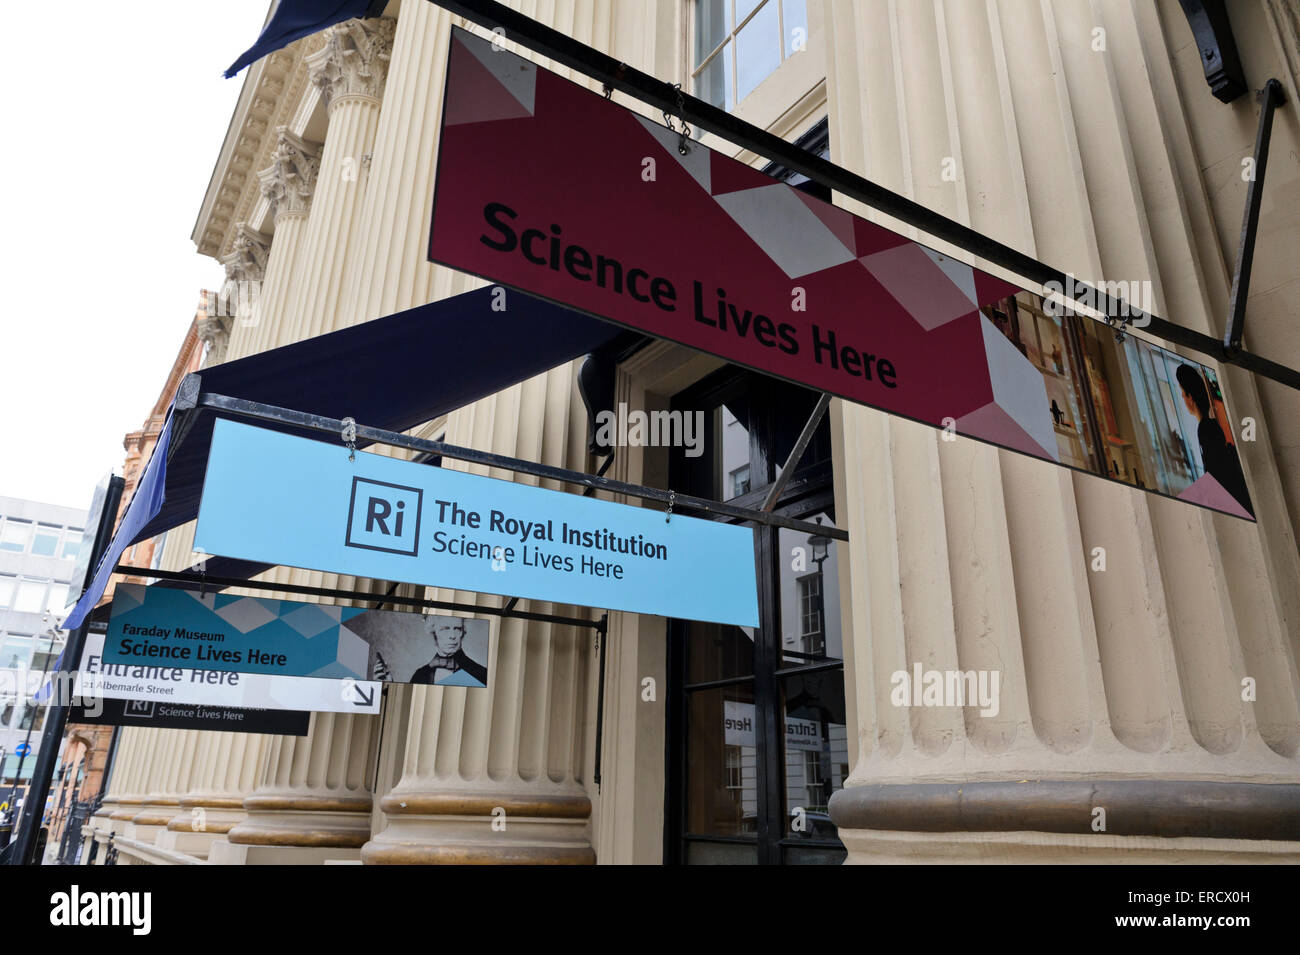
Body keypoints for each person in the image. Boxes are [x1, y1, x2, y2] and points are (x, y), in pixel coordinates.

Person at [1175, 364, 1251, 512]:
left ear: (1190, 397)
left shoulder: (1205, 429)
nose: (1182, 397)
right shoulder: (1209, 426)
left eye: (1183, 392)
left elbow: (1217, 476)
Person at [410, 617, 487, 687]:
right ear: (434, 633)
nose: (452, 636)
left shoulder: (481, 674)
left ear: (463, 632)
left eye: (457, 629)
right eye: (445, 629)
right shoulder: (420, 675)